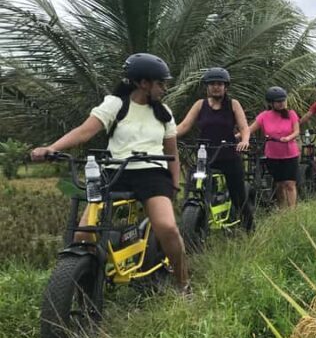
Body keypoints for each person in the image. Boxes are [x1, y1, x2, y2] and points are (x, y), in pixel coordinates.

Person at [31, 53, 189, 293]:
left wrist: (174, 185)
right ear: (143, 83)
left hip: (152, 174)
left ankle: (183, 283)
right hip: (115, 172)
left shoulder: (164, 112)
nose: (164, 88)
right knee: (83, 234)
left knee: (167, 227)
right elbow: (84, 131)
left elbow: (172, 152)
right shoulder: (115, 104)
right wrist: (52, 148)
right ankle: (87, 280)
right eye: (160, 83)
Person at [176, 67, 254, 231]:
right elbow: (183, 126)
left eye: (219, 84)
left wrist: (244, 141)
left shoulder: (233, 104)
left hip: (229, 157)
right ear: (207, 86)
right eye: (212, 84)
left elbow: (244, 128)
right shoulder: (200, 105)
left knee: (238, 196)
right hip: (205, 157)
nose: (216, 87)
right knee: (195, 189)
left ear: (226, 86)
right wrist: (166, 136)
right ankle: (196, 223)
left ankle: (249, 229)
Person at [249, 87, 300, 208]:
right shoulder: (264, 116)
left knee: (290, 183)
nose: (282, 103)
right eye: (278, 101)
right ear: (271, 103)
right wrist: (236, 136)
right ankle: (282, 209)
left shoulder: (291, 114)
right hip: (273, 155)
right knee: (279, 184)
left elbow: (297, 131)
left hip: (290, 154)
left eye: (283, 100)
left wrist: (288, 138)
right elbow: (249, 129)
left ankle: (292, 211)